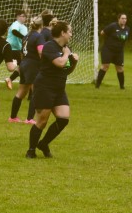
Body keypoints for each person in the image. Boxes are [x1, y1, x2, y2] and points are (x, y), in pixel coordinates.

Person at [26, 20, 79, 158]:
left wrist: (74, 62)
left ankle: (43, 143)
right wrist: (67, 55)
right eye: (70, 32)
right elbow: (60, 63)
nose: (71, 35)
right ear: (62, 33)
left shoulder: (66, 48)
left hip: (59, 88)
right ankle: (31, 150)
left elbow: (66, 69)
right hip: (45, 87)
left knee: (63, 119)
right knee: (42, 121)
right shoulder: (49, 46)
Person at [9, 15, 44, 123]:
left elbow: (21, 52)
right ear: (41, 26)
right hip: (33, 65)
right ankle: (29, 119)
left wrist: (22, 64)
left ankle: (13, 117)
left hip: (24, 63)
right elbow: (40, 52)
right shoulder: (39, 37)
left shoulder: (26, 36)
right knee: (35, 91)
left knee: (21, 92)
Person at [94, 13, 130, 90]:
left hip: (119, 51)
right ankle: (97, 85)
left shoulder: (127, 29)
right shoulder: (113, 26)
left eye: (125, 19)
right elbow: (102, 33)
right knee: (105, 66)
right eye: (122, 18)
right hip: (108, 49)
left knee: (120, 68)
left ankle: (122, 87)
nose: (124, 20)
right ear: (118, 19)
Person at [5, 10, 29, 87]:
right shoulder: (16, 24)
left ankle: (10, 79)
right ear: (17, 17)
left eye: (25, 16)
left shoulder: (25, 27)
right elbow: (14, 31)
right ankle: (24, 83)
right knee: (24, 66)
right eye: (23, 16)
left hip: (19, 50)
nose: (24, 18)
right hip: (12, 49)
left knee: (23, 66)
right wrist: (24, 37)